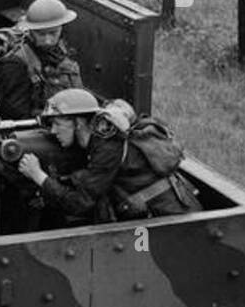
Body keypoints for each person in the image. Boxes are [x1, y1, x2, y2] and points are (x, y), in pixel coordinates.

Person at [14, 89, 201, 223]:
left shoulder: (108, 148)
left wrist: (39, 176)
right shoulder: (99, 138)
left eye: (58, 124)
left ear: (78, 122)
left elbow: (80, 203)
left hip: (172, 221)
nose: (53, 131)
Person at [0, 0, 83, 120]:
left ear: (61, 29)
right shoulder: (17, 63)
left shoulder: (63, 51)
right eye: (41, 34)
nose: (48, 40)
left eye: (53, 33)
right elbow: (16, 112)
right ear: (31, 31)